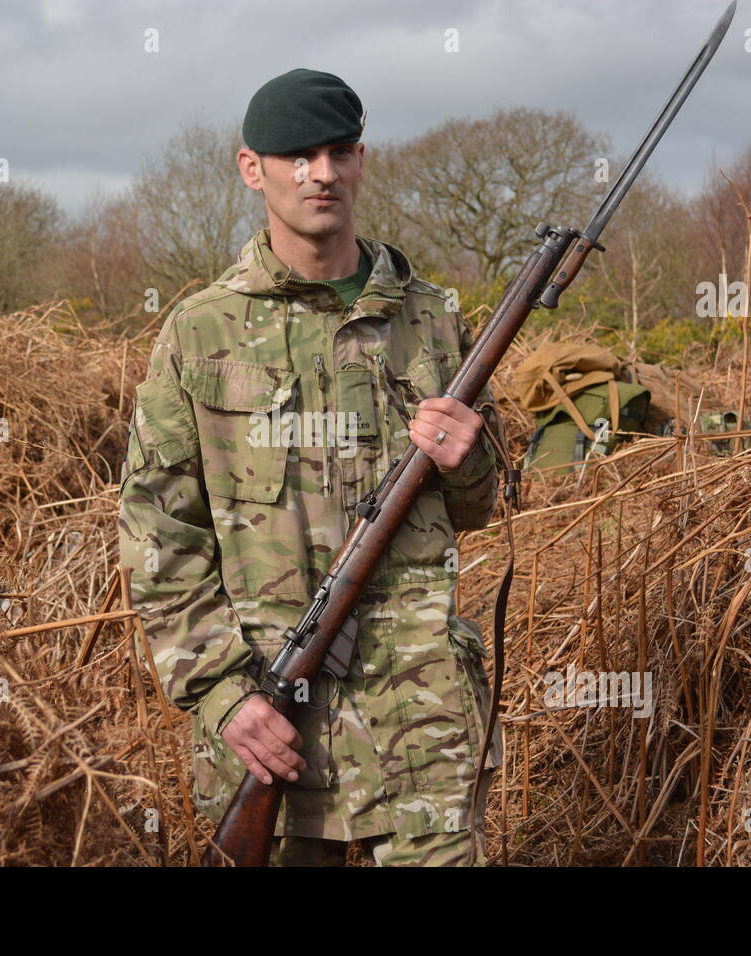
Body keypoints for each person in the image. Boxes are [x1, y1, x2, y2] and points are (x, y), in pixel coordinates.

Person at [118, 67, 502, 866]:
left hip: (422, 725)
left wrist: (469, 460)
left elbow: (476, 506)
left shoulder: (431, 320)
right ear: (251, 168)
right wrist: (223, 696)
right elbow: (160, 538)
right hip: (277, 729)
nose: (319, 174)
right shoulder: (200, 332)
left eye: (337, 152)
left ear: (361, 160)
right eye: (296, 156)